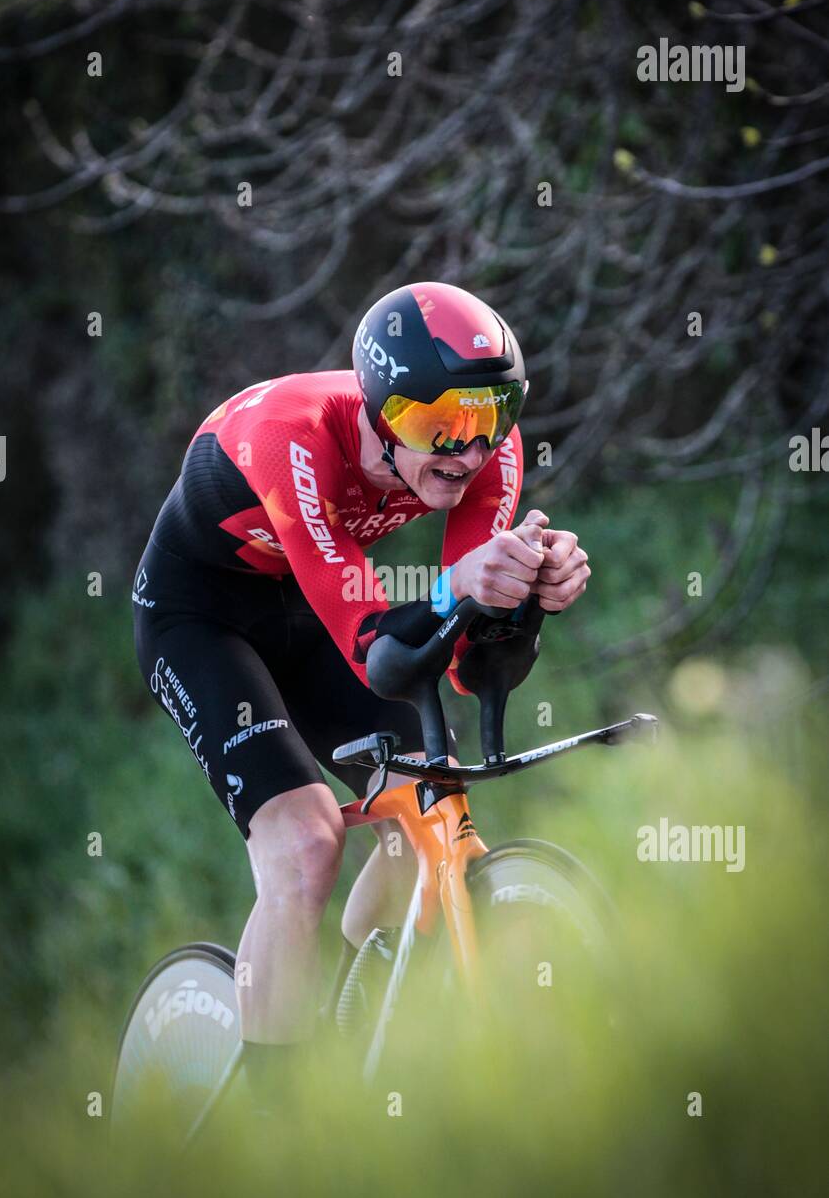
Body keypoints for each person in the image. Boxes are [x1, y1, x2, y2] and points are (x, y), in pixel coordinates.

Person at [132, 281, 590, 1086]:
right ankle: (275, 1126)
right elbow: (372, 644)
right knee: (307, 841)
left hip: (313, 609)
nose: (466, 451)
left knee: (425, 797)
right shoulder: (292, 438)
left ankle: (346, 1018)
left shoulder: (488, 453)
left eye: (489, 417)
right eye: (436, 425)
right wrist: (459, 587)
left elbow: (458, 658)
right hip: (199, 618)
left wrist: (524, 601)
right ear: (381, 414)